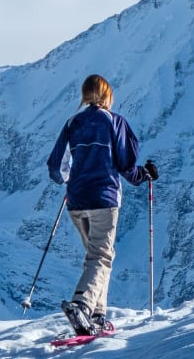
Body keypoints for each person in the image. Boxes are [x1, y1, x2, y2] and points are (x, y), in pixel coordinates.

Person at [46, 74, 158, 335]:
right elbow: (126, 164)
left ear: (85, 95)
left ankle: (97, 316)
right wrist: (144, 175)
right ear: (107, 95)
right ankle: (82, 306)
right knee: (101, 256)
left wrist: (68, 179)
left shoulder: (72, 123)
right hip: (103, 198)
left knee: (97, 256)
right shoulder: (114, 121)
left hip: (76, 199)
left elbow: (55, 167)